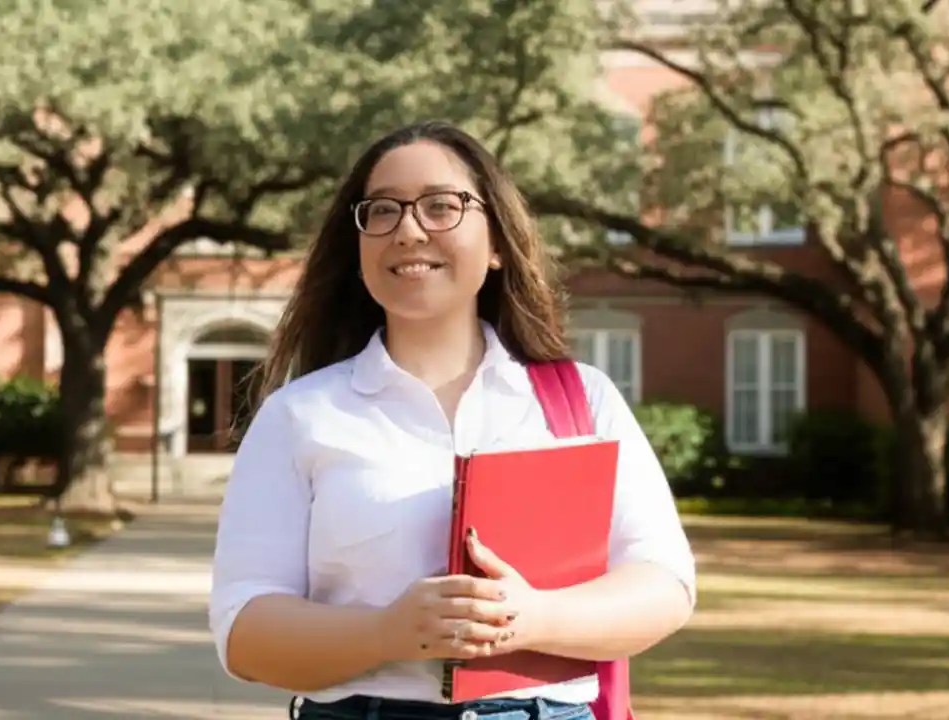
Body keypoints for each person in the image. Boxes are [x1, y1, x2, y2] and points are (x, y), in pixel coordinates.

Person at [207, 120, 696, 720]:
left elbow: (664, 583)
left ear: (497, 245)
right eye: (382, 210)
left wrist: (532, 617)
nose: (409, 230)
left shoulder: (582, 400)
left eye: (441, 206)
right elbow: (244, 628)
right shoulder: (300, 415)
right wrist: (389, 632)